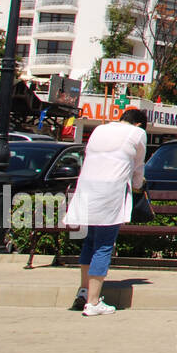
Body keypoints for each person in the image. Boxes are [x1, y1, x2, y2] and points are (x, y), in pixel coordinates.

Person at [61, 107, 149, 316]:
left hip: (86, 189)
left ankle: (83, 291)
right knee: (104, 245)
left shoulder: (100, 130)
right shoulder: (138, 133)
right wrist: (139, 186)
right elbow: (138, 167)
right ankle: (93, 302)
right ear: (138, 124)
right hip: (110, 192)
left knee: (89, 242)